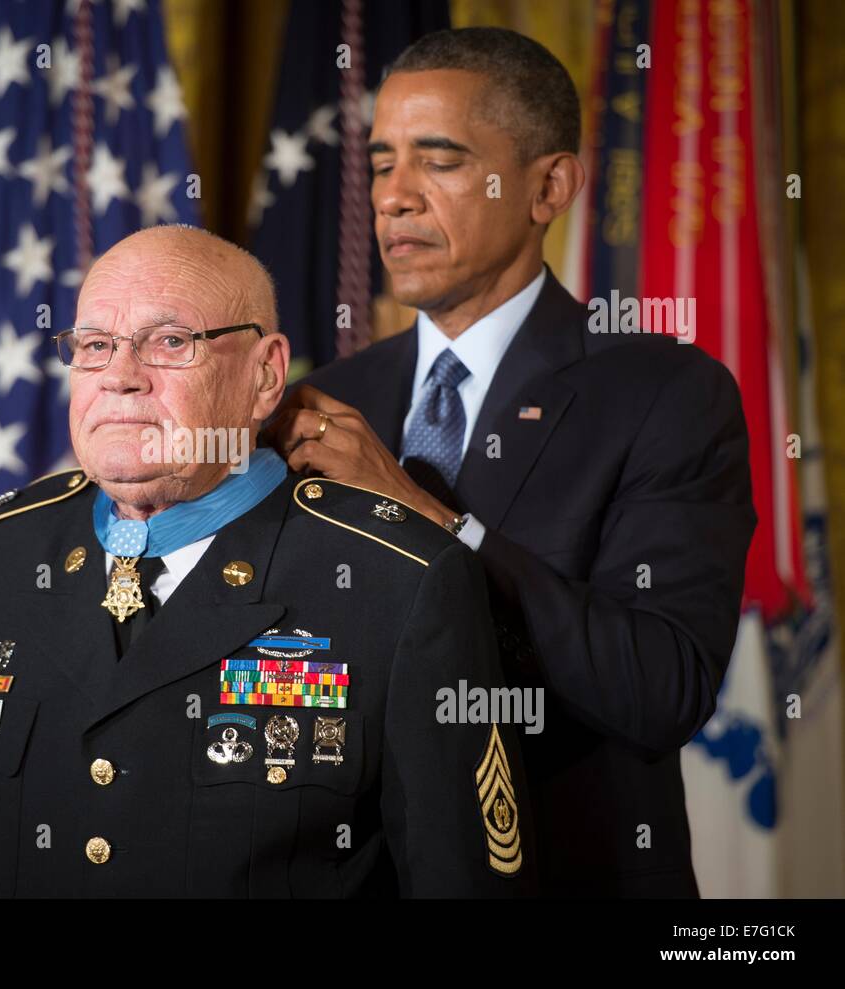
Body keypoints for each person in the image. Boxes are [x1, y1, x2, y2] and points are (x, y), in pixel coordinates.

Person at [0, 225, 537, 897]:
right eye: (93, 346)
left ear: (265, 376)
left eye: (170, 342)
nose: (119, 377)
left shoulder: (398, 581)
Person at [266, 27, 756, 897]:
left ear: (549, 186)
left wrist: (434, 520)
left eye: (440, 160)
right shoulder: (320, 400)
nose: (395, 198)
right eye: (382, 163)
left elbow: (660, 687)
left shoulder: (667, 394)